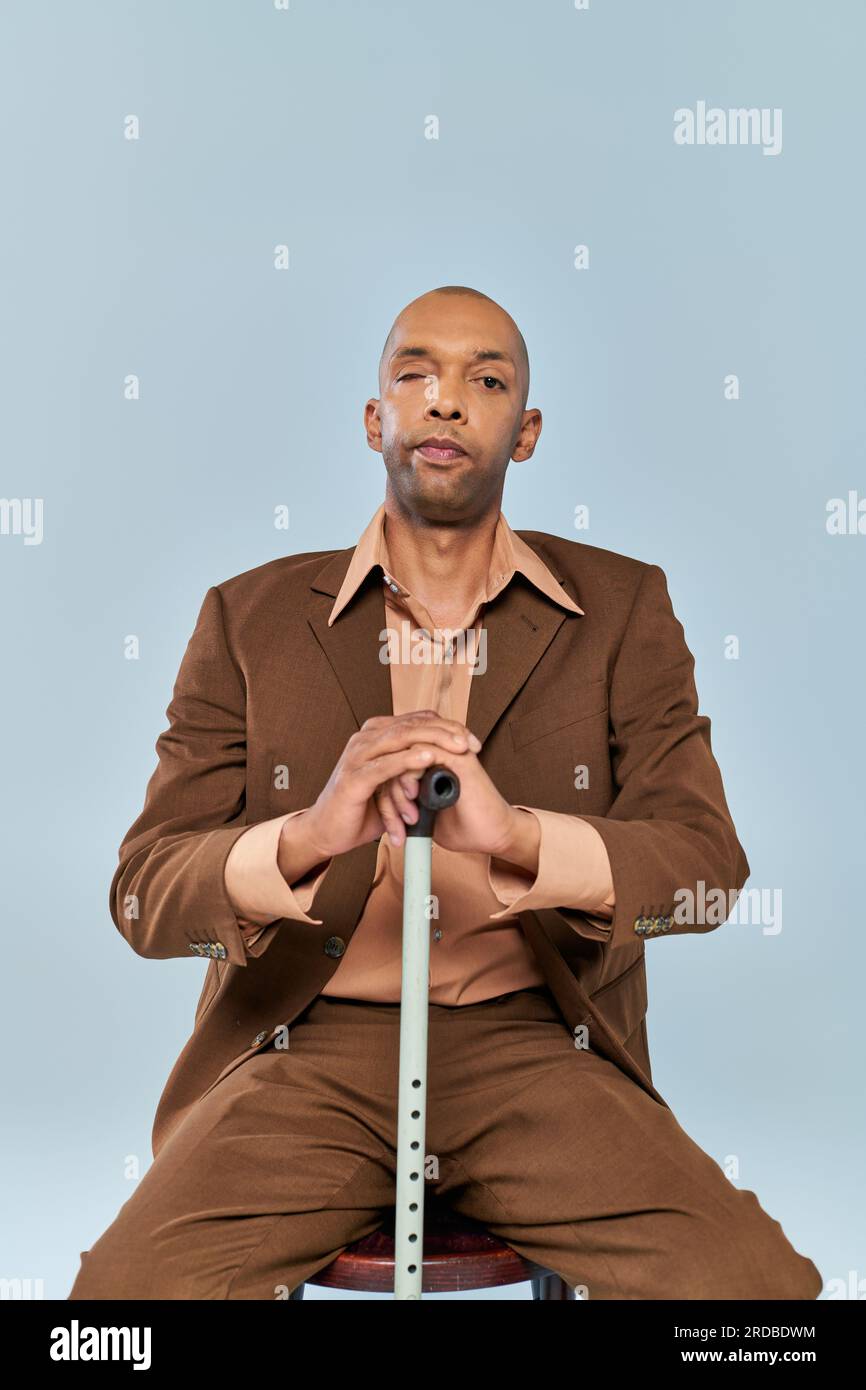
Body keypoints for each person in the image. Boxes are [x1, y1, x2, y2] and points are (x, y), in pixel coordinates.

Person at [69, 286, 822, 1300]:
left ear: (526, 433)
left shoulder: (621, 606)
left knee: (756, 1301)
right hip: (304, 1045)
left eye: (487, 379)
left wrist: (516, 836)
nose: (447, 400)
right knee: (118, 1314)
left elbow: (703, 865)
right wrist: (307, 833)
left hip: (533, 1045)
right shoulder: (244, 618)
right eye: (414, 373)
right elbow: (142, 896)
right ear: (374, 417)